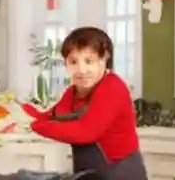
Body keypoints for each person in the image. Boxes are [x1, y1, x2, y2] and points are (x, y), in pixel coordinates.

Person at [20, 27, 147, 180]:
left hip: (121, 173)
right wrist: (17, 112)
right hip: (87, 172)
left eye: (89, 61)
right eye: (73, 61)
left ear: (105, 58)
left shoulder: (113, 88)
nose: (81, 70)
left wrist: (32, 126)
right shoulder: (72, 92)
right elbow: (49, 117)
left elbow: (86, 132)